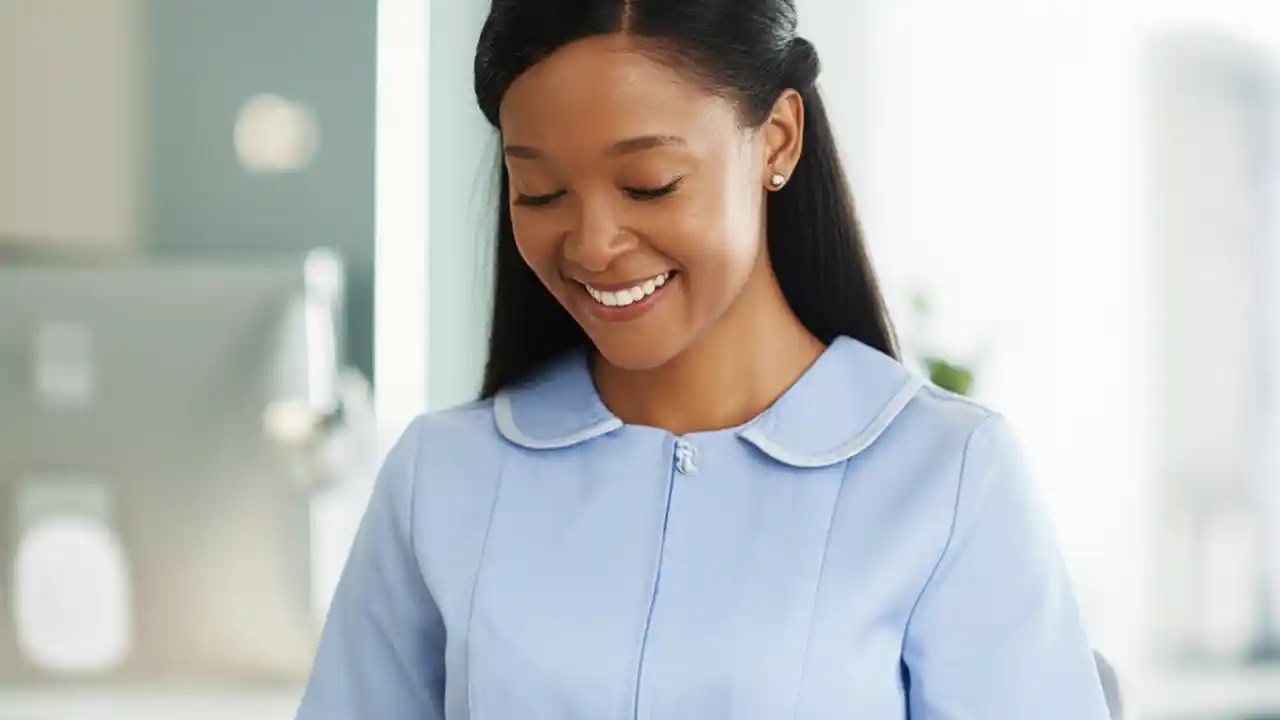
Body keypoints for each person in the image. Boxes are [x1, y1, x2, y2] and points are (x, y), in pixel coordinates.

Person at [296, 0, 1112, 717]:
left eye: (650, 184)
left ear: (777, 141)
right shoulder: (441, 479)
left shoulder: (946, 477)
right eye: (539, 193)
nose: (592, 244)